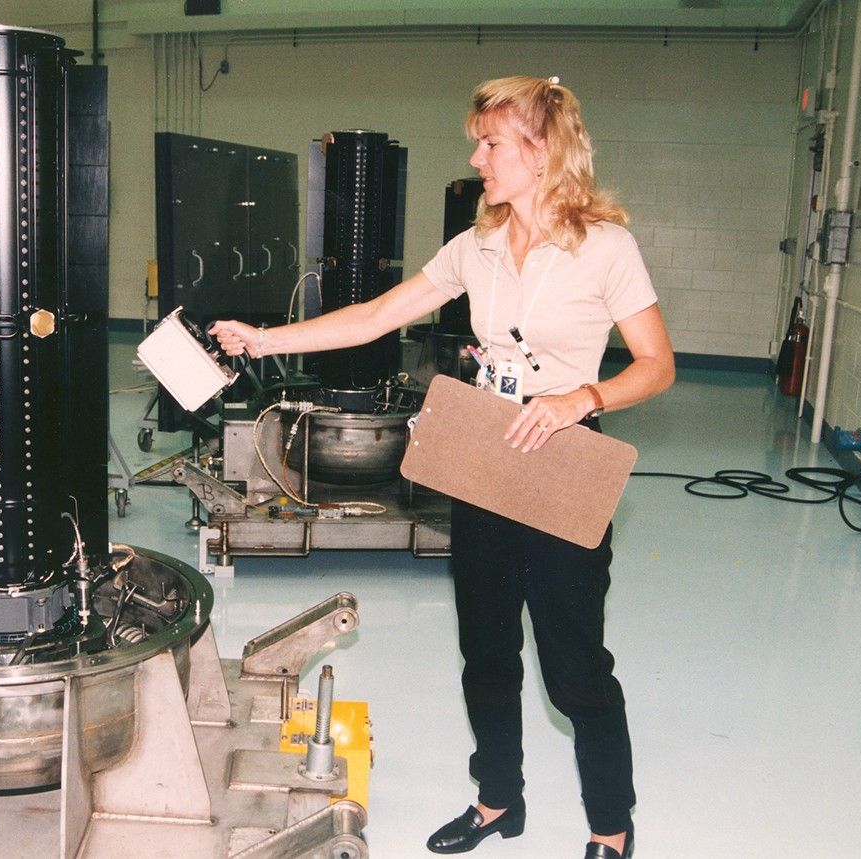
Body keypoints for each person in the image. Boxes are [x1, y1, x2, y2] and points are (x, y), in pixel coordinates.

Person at [209, 74, 674, 859]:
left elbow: (657, 365)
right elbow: (378, 313)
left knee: (574, 667)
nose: (477, 155)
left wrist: (581, 396)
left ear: (540, 149)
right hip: (487, 451)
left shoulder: (606, 248)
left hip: (565, 458)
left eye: (491, 142)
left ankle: (610, 825)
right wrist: (265, 339)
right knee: (486, 648)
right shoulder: (477, 245)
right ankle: (498, 799)